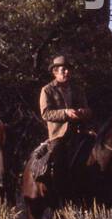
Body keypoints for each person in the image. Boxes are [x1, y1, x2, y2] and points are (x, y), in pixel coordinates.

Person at [32, 54, 92, 183]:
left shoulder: (78, 90)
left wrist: (83, 112)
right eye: (63, 69)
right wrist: (65, 113)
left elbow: (88, 110)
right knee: (59, 163)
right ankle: (59, 191)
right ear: (55, 72)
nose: (67, 72)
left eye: (68, 69)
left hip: (79, 132)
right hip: (59, 135)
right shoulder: (47, 90)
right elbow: (46, 114)